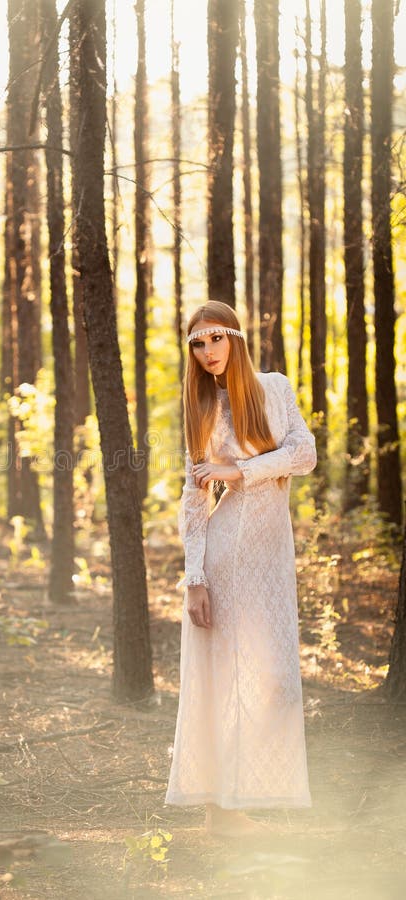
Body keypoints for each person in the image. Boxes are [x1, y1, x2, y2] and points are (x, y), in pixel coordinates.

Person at [165, 301, 316, 834]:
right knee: (222, 676)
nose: (207, 353)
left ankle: (236, 804)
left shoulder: (274, 387)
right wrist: (195, 579)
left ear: (235, 337)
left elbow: (305, 453)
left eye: (215, 339)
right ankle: (218, 814)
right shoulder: (203, 406)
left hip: (271, 556)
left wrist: (240, 469)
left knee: (268, 676)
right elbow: (193, 499)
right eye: (197, 344)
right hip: (227, 556)